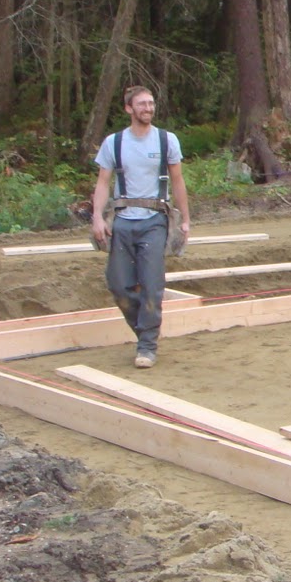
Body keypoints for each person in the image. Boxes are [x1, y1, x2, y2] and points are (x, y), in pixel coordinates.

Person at [91, 85, 191, 369]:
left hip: (155, 221)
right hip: (122, 221)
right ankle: (145, 331)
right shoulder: (114, 143)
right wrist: (97, 216)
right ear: (129, 109)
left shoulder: (166, 140)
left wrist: (185, 219)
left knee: (151, 284)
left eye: (151, 103)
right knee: (119, 285)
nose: (148, 108)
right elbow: (102, 183)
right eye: (142, 104)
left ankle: (147, 345)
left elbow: (178, 181)